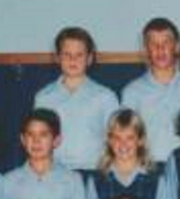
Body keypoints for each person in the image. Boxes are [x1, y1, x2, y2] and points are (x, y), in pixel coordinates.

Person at [32, 27, 120, 173]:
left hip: (94, 171)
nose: (73, 60)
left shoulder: (105, 97)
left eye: (79, 55)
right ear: (58, 57)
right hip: (56, 174)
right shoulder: (43, 98)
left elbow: (116, 140)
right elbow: (37, 141)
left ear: (89, 59)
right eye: (67, 54)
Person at [120, 17, 180, 162]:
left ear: (177, 47)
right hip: (147, 167)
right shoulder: (132, 92)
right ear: (145, 50)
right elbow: (125, 140)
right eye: (153, 44)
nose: (160, 49)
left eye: (166, 42)